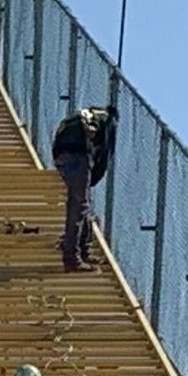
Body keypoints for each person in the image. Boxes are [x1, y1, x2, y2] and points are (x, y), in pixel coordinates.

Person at [51, 103, 115, 269]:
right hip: (79, 154)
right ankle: (72, 257)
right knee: (80, 204)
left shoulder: (81, 116)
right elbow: (104, 155)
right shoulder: (108, 121)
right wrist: (93, 179)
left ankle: (83, 250)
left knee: (81, 201)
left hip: (60, 154)